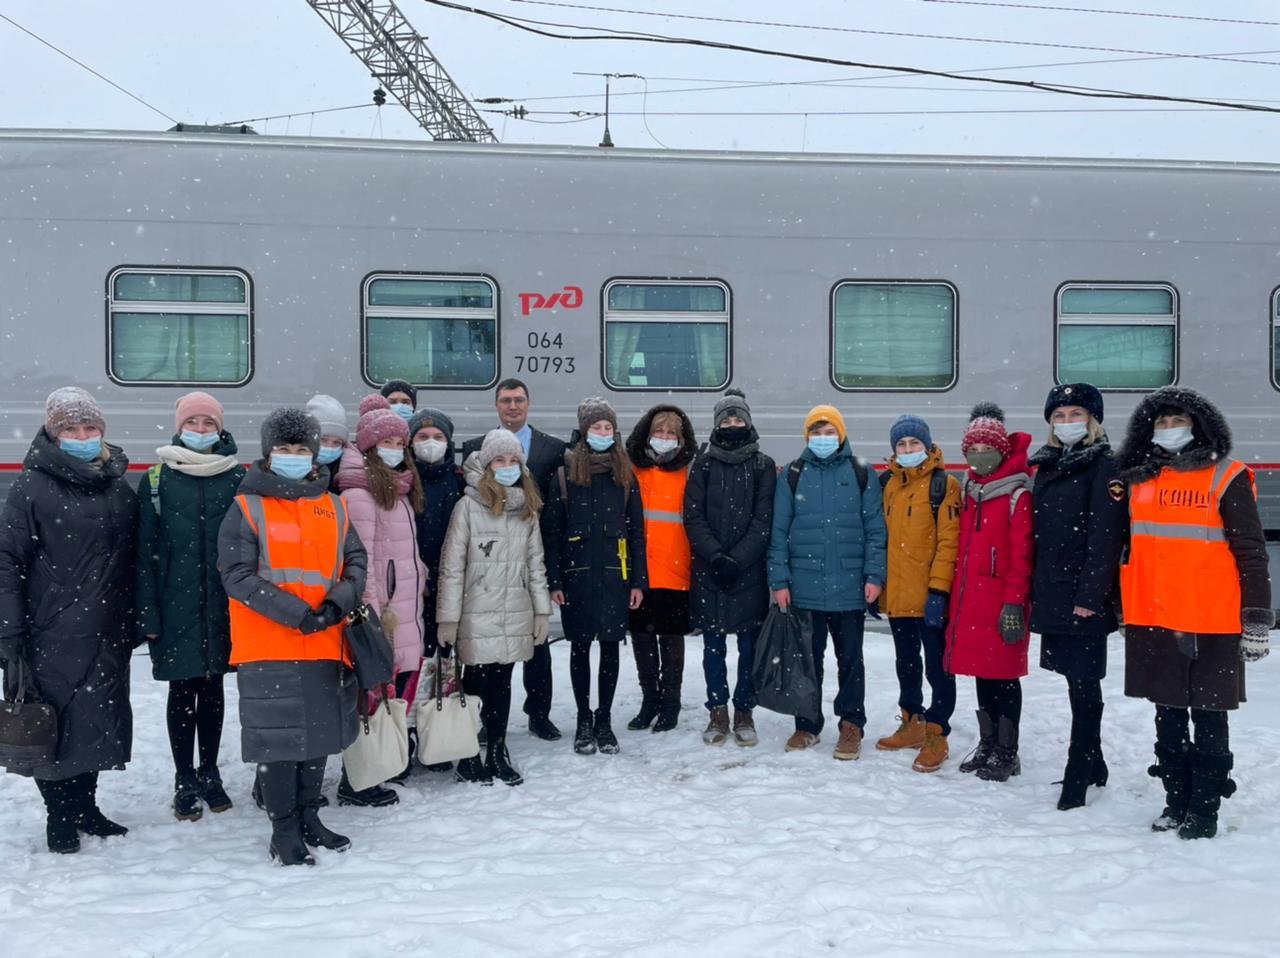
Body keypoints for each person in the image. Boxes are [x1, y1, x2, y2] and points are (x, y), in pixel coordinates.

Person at [1116, 386, 1272, 840]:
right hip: (1155, 615)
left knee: (1208, 715)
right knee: (1167, 716)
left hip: (1211, 619)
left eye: (1177, 421)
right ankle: (1174, 800)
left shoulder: (1227, 476)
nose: (1169, 430)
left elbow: (1251, 551)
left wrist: (1257, 619)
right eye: (1161, 423)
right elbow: (1129, 547)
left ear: (1200, 426)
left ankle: (1204, 810)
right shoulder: (1140, 478)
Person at [218, 408, 367, 866]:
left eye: (302, 449)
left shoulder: (333, 505)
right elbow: (236, 575)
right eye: (284, 449)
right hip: (270, 645)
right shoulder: (247, 507)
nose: (294, 456)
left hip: (325, 640)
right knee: (279, 744)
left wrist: (335, 604)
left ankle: (309, 817)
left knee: (319, 738)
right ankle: (283, 829)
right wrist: (298, 614)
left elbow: (356, 563)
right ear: (268, 453)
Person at [0, 387, 138, 854]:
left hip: (108, 628)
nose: (82, 435)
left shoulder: (115, 481)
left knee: (96, 721)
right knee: (54, 724)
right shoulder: (32, 486)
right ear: (53, 434)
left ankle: (87, 808)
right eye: (71, 429)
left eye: (89, 427)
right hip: (51, 629)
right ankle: (59, 816)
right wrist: (10, 632)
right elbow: (7, 563)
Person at [136, 391, 246, 821]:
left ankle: (211, 771)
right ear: (179, 427)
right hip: (174, 606)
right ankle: (184, 778)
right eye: (193, 423)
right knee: (182, 693)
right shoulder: (157, 479)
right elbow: (143, 554)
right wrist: (147, 614)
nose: (200, 431)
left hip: (221, 604)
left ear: (220, 429)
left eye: (208, 424)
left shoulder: (236, 478)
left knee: (214, 691)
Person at [768, 405, 887, 759]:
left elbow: (875, 531)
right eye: (816, 432)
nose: (823, 438)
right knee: (807, 660)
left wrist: (874, 575)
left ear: (841, 433)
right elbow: (779, 532)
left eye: (829, 431)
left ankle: (851, 725)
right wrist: (779, 580)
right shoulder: (793, 473)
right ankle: (807, 724)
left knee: (850, 659)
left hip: (850, 587)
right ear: (807, 437)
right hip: (804, 587)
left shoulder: (860, 472)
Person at [1028, 384, 1126, 810]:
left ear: (1093, 420)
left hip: (1083, 595)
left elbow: (1106, 538)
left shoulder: (1106, 466)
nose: (1067, 423)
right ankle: (1096, 763)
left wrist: (1091, 595)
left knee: (1086, 684)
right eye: (1059, 416)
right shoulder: (1051, 465)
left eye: (1076, 415)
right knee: (1073, 679)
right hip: (1054, 589)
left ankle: (1078, 772)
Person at [436, 429, 551, 786]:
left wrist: (541, 610)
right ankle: (470, 751)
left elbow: (536, 564)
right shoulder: (467, 506)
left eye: (513, 460)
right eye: (499, 460)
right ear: (487, 465)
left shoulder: (527, 508)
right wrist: (448, 619)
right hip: (475, 612)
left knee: (503, 682)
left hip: (513, 610)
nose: (506, 466)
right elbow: (452, 567)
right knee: (474, 684)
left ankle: (498, 748)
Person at [459, 378, 567, 741]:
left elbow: (554, 516)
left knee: (538, 645)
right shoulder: (475, 449)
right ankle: (482, 722)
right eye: (505, 400)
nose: (512, 407)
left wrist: (552, 575)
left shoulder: (553, 449)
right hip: (488, 566)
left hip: (531, 555)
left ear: (529, 403)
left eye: (519, 400)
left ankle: (539, 712)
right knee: (487, 655)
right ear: (496, 405)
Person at [334, 404, 428, 807]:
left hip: (404, 607)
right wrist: (372, 615)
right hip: (384, 613)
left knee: (388, 695)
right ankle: (357, 780)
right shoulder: (360, 493)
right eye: (386, 442)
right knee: (371, 698)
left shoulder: (395, 486)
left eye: (398, 442)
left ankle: (377, 768)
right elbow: (364, 562)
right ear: (370, 447)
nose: (393, 448)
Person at [542, 398, 646, 756]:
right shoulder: (565, 473)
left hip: (616, 577)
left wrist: (638, 581)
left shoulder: (625, 475)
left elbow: (636, 533)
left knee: (611, 648)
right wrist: (554, 580)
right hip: (577, 578)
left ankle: (605, 719)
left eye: (607, 428)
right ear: (584, 431)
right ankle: (584, 719)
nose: (602, 433)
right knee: (581, 647)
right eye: (595, 427)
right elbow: (552, 532)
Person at [946, 403, 1034, 783]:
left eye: (987, 448)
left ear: (1001, 450)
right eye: (973, 450)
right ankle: (987, 742)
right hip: (971, 598)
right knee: (983, 674)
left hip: (1001, 601)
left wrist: (1014, 601)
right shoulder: (970, 489)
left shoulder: (1017, 493)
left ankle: (1007, 751)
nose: (980, 456)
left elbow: (1023, 554)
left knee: (1004, 677)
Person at [684, 389, 775, 747]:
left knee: (749, 647)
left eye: (738, 419)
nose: (732, 425)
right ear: (717, 424)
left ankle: (744, 709)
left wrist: (737, 559)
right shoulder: (703, 464)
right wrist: (716, 556)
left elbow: (763, 519)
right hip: (710, 571)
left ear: (748, 423)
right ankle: (717, 710)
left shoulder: (763, 465)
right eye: (726, 419)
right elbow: (693, 516)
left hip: (748, 573)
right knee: (713, 648)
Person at [874, 414, 962, 773]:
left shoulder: (945, 485)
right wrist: (878, 586)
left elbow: (949, 542)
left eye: (914, 444)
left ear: (927, 446)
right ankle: (912, 722)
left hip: (929, 597)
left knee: (938, 668)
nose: (908, 450)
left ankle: (937, 733)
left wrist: (938, 590)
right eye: (901, 445)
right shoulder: (889, 485)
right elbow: (882, 540)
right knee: (906, 664)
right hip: (898, 595)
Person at [624, 404, 696, 733]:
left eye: (671, 434)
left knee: (669, 638)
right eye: (659, 432)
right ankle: (649, 698)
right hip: (638, 569)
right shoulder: (632, 469)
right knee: (641, 637)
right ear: (648, 434)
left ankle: (671, 702)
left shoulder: (689, 470)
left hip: (675, 567)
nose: (665, 438)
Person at [307, 394, 350, 492]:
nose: (329, 447)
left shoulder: (346, 471)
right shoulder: (294, 467)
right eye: (323, 440)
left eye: (336, 442)